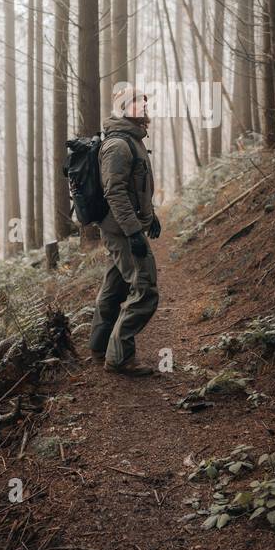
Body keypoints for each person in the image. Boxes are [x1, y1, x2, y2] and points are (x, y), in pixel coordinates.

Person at [89, 88, 161, 375]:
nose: (143, 105)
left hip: (123, 227)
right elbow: (115, 193)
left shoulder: (133, 139)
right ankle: (120, 358)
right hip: (121, 230)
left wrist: (150, 216)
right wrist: (133, 232)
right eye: (136, 101)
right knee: (145, 288)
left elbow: (137, 186)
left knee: (114, 287)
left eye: (144, 101)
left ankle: (99, 346)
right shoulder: (118, 146)